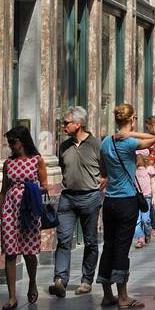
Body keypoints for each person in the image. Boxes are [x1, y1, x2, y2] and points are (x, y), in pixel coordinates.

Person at [97, 104, 155, 309]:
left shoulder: (105, 141)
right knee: (122, 247)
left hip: (110, 201)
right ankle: (123, 297)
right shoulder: (129, 142)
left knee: (108, 245)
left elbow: (104, 169)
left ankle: (107, 294)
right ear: (132, 119)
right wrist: (130, 131)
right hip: (127, 201)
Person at [0, 126, 49, 310]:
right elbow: (2, 191)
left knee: (29, 252)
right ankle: (12, 297)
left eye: (13, 142)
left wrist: (31, 189)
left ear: (22, 141)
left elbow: (45, 186)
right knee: (10, 251)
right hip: (10, 209)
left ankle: (32, 282)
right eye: (9, 143)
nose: (11, 146)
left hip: (29, 209)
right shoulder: (8, 163)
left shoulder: (36, 160)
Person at [50, 106, 103, 298]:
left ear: (78, 125)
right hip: (68, 198)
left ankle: (86, 280)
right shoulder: (64, 146)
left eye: (66, 123)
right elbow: (63, 168)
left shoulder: (96, 145)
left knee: (90, 241)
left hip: (90, 197)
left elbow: (105, 174)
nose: (63, 126)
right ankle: (60, 280)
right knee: (63, 239)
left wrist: (97, 191)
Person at [134, 150, 155, 248]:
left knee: (146, 220)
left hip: (147, 197)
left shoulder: (149, 169)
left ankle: (147, 233)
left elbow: (153, 184)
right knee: (137, 221)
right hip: (135, 198)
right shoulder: (133, 169)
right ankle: (140, 238)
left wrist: (154, 198)